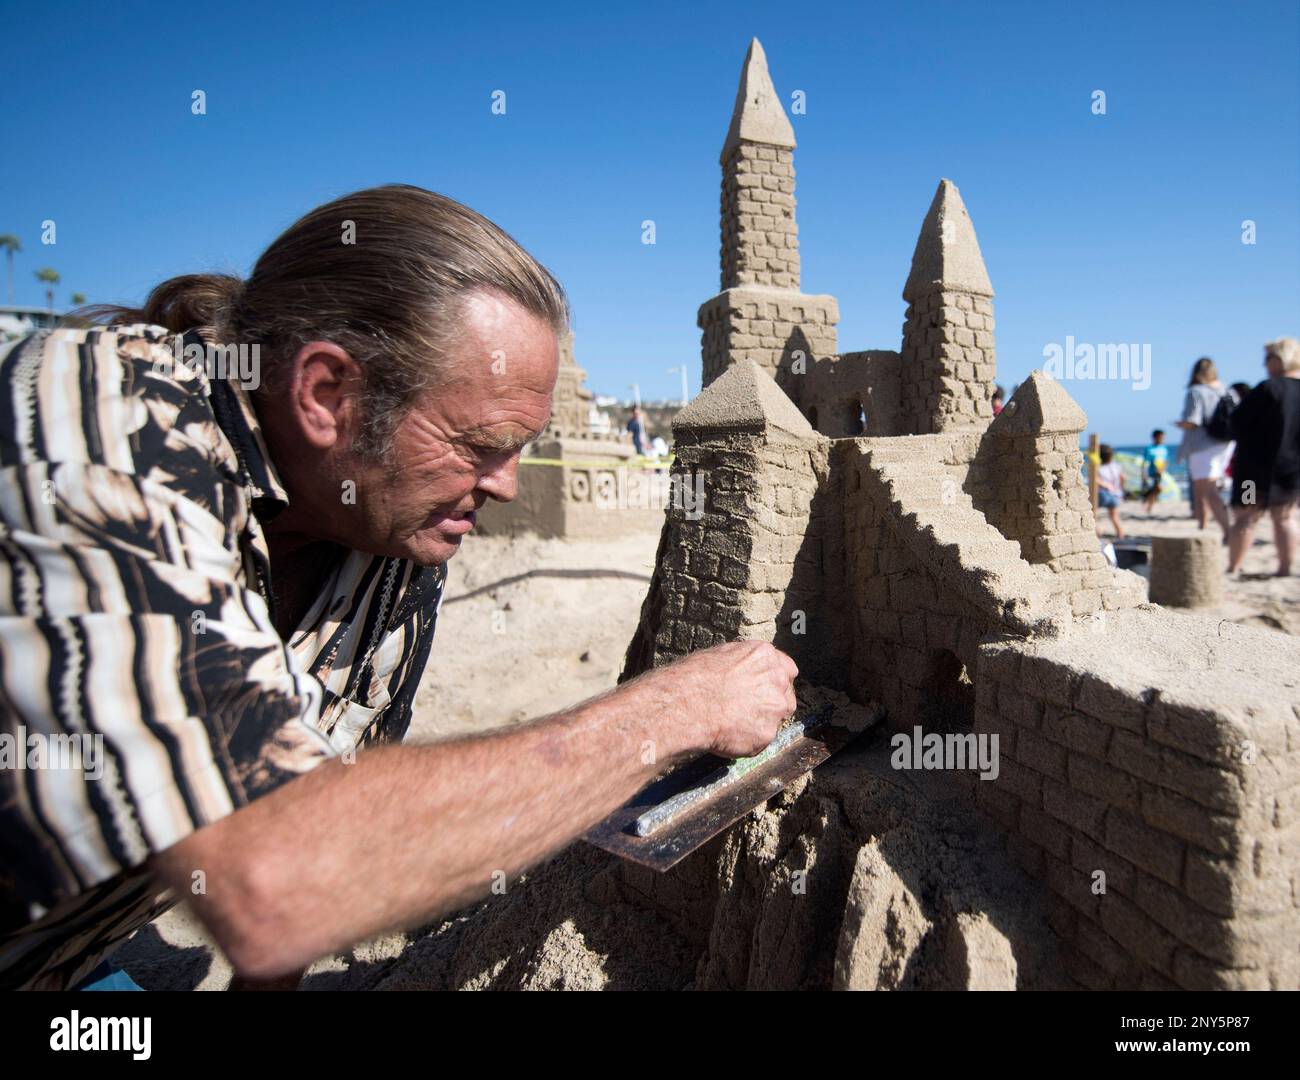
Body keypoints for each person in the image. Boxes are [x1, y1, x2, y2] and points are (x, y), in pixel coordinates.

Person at [0, 185, 798, 990]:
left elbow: (335, 834)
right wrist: (673, 713)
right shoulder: (102, 425)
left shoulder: (386, 526)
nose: (506, 486)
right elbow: (273, 875)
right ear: (328, 395)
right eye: (481, 445)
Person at [1227, 338, 1300, 578]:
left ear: (1280, 359)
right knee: (1285, 517)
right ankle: (1285, 568)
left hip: (1253, 472)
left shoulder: (1268, 389)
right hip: (1292, 470)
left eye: (1268, 358)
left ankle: (1234, 567)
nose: (1264, 364)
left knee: (1246, 517)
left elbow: (1236, 423)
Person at [1175, 357, 1234, 538]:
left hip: (1203, 445)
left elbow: (1193, 420)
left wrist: (1180, 424)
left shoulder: (1196, 391)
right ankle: (1203, 528)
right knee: (1203, 489)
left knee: (1207, 489)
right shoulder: (1227, 390)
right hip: (1227, 443)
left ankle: (1227, 531)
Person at [1095, 444, 1126, 538]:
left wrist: (1106, 485)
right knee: (1114, 517)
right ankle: (1121, 535)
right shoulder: (1116, 466)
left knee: (1093, 513)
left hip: (1103, 494)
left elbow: (1096, 480)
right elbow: (1123, 478)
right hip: (1116, 494)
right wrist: (1120, 489)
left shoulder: (1098, 467)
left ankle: (1098, 532)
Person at [1142, 429, 1169, 511]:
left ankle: (1149, 505)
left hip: (1160, 473)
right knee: (1157, 488)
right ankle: (1148, 504)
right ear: (1155, 437)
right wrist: (1144, 474)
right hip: (1151, 473)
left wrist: (1163, 469)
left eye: (1163, 437)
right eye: (1161, 437)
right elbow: (1145, 462)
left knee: (1156, 489)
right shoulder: (1149, 449)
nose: (1162, 439)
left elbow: (1166, 461)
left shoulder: (1164, 448)